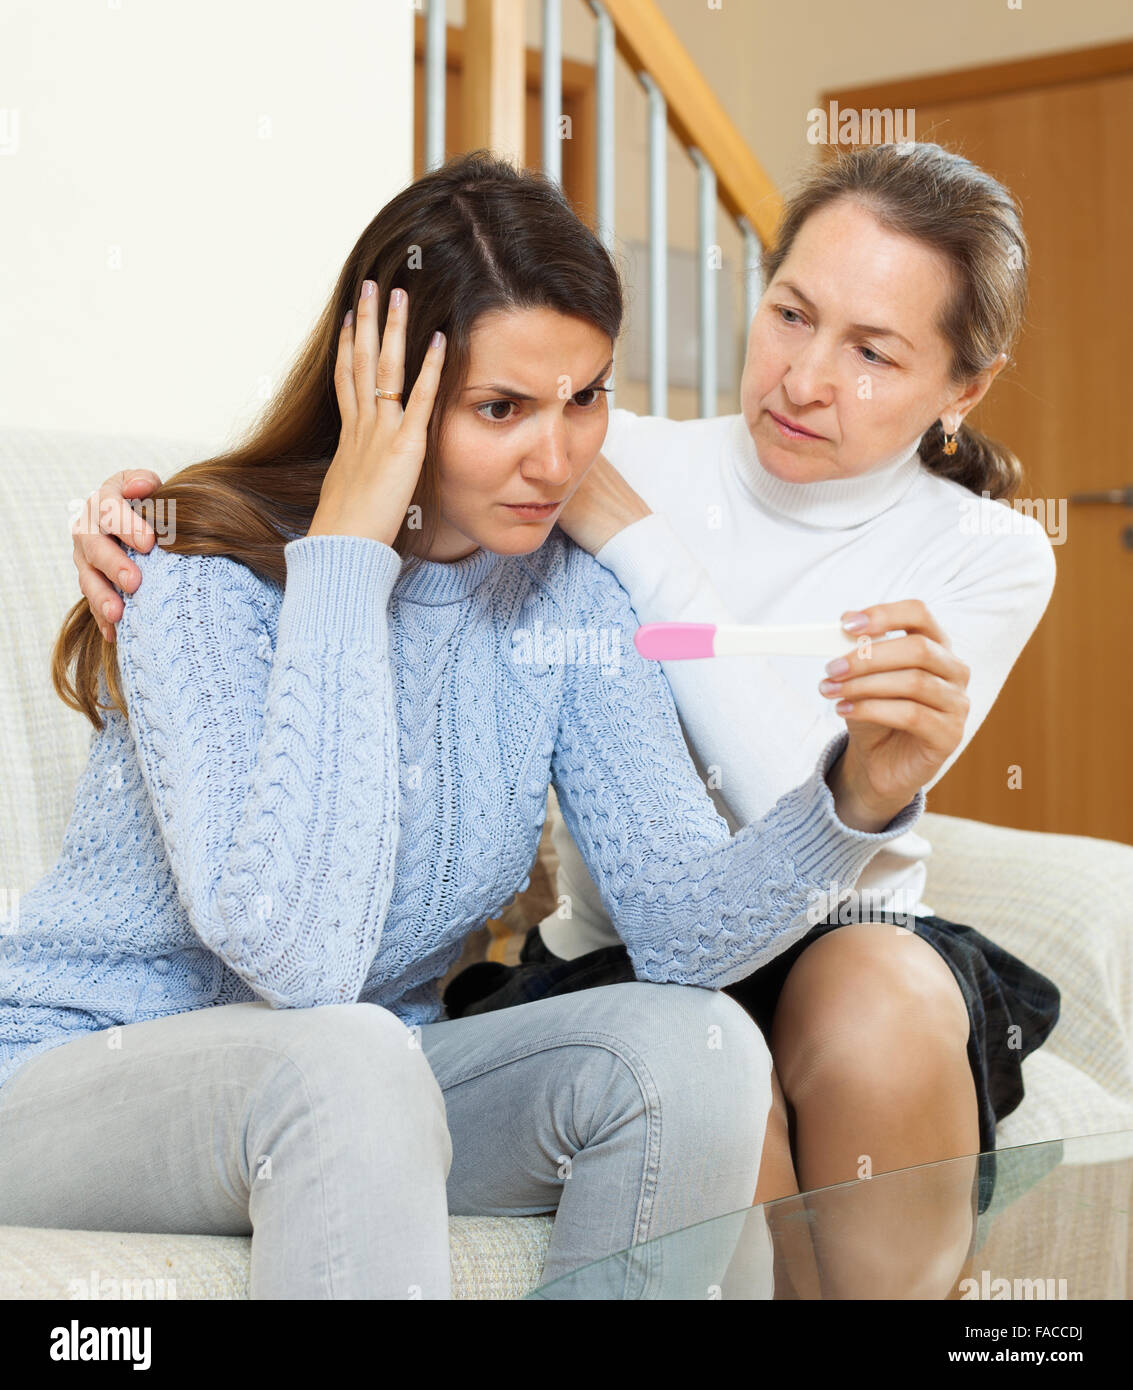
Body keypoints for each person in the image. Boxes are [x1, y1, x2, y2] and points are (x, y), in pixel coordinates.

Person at [1, 151, 939, 1301]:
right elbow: (300, 958)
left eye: (583, 397)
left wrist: (856, 797)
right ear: (380, 395)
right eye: (502, 409)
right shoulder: (196, 575)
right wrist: (343, 559)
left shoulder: (565, 598)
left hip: (365, 1078)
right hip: (68, 1076)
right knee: (346, 1054)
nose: (556, 461)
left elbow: (682, 937)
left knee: (698, 1053)